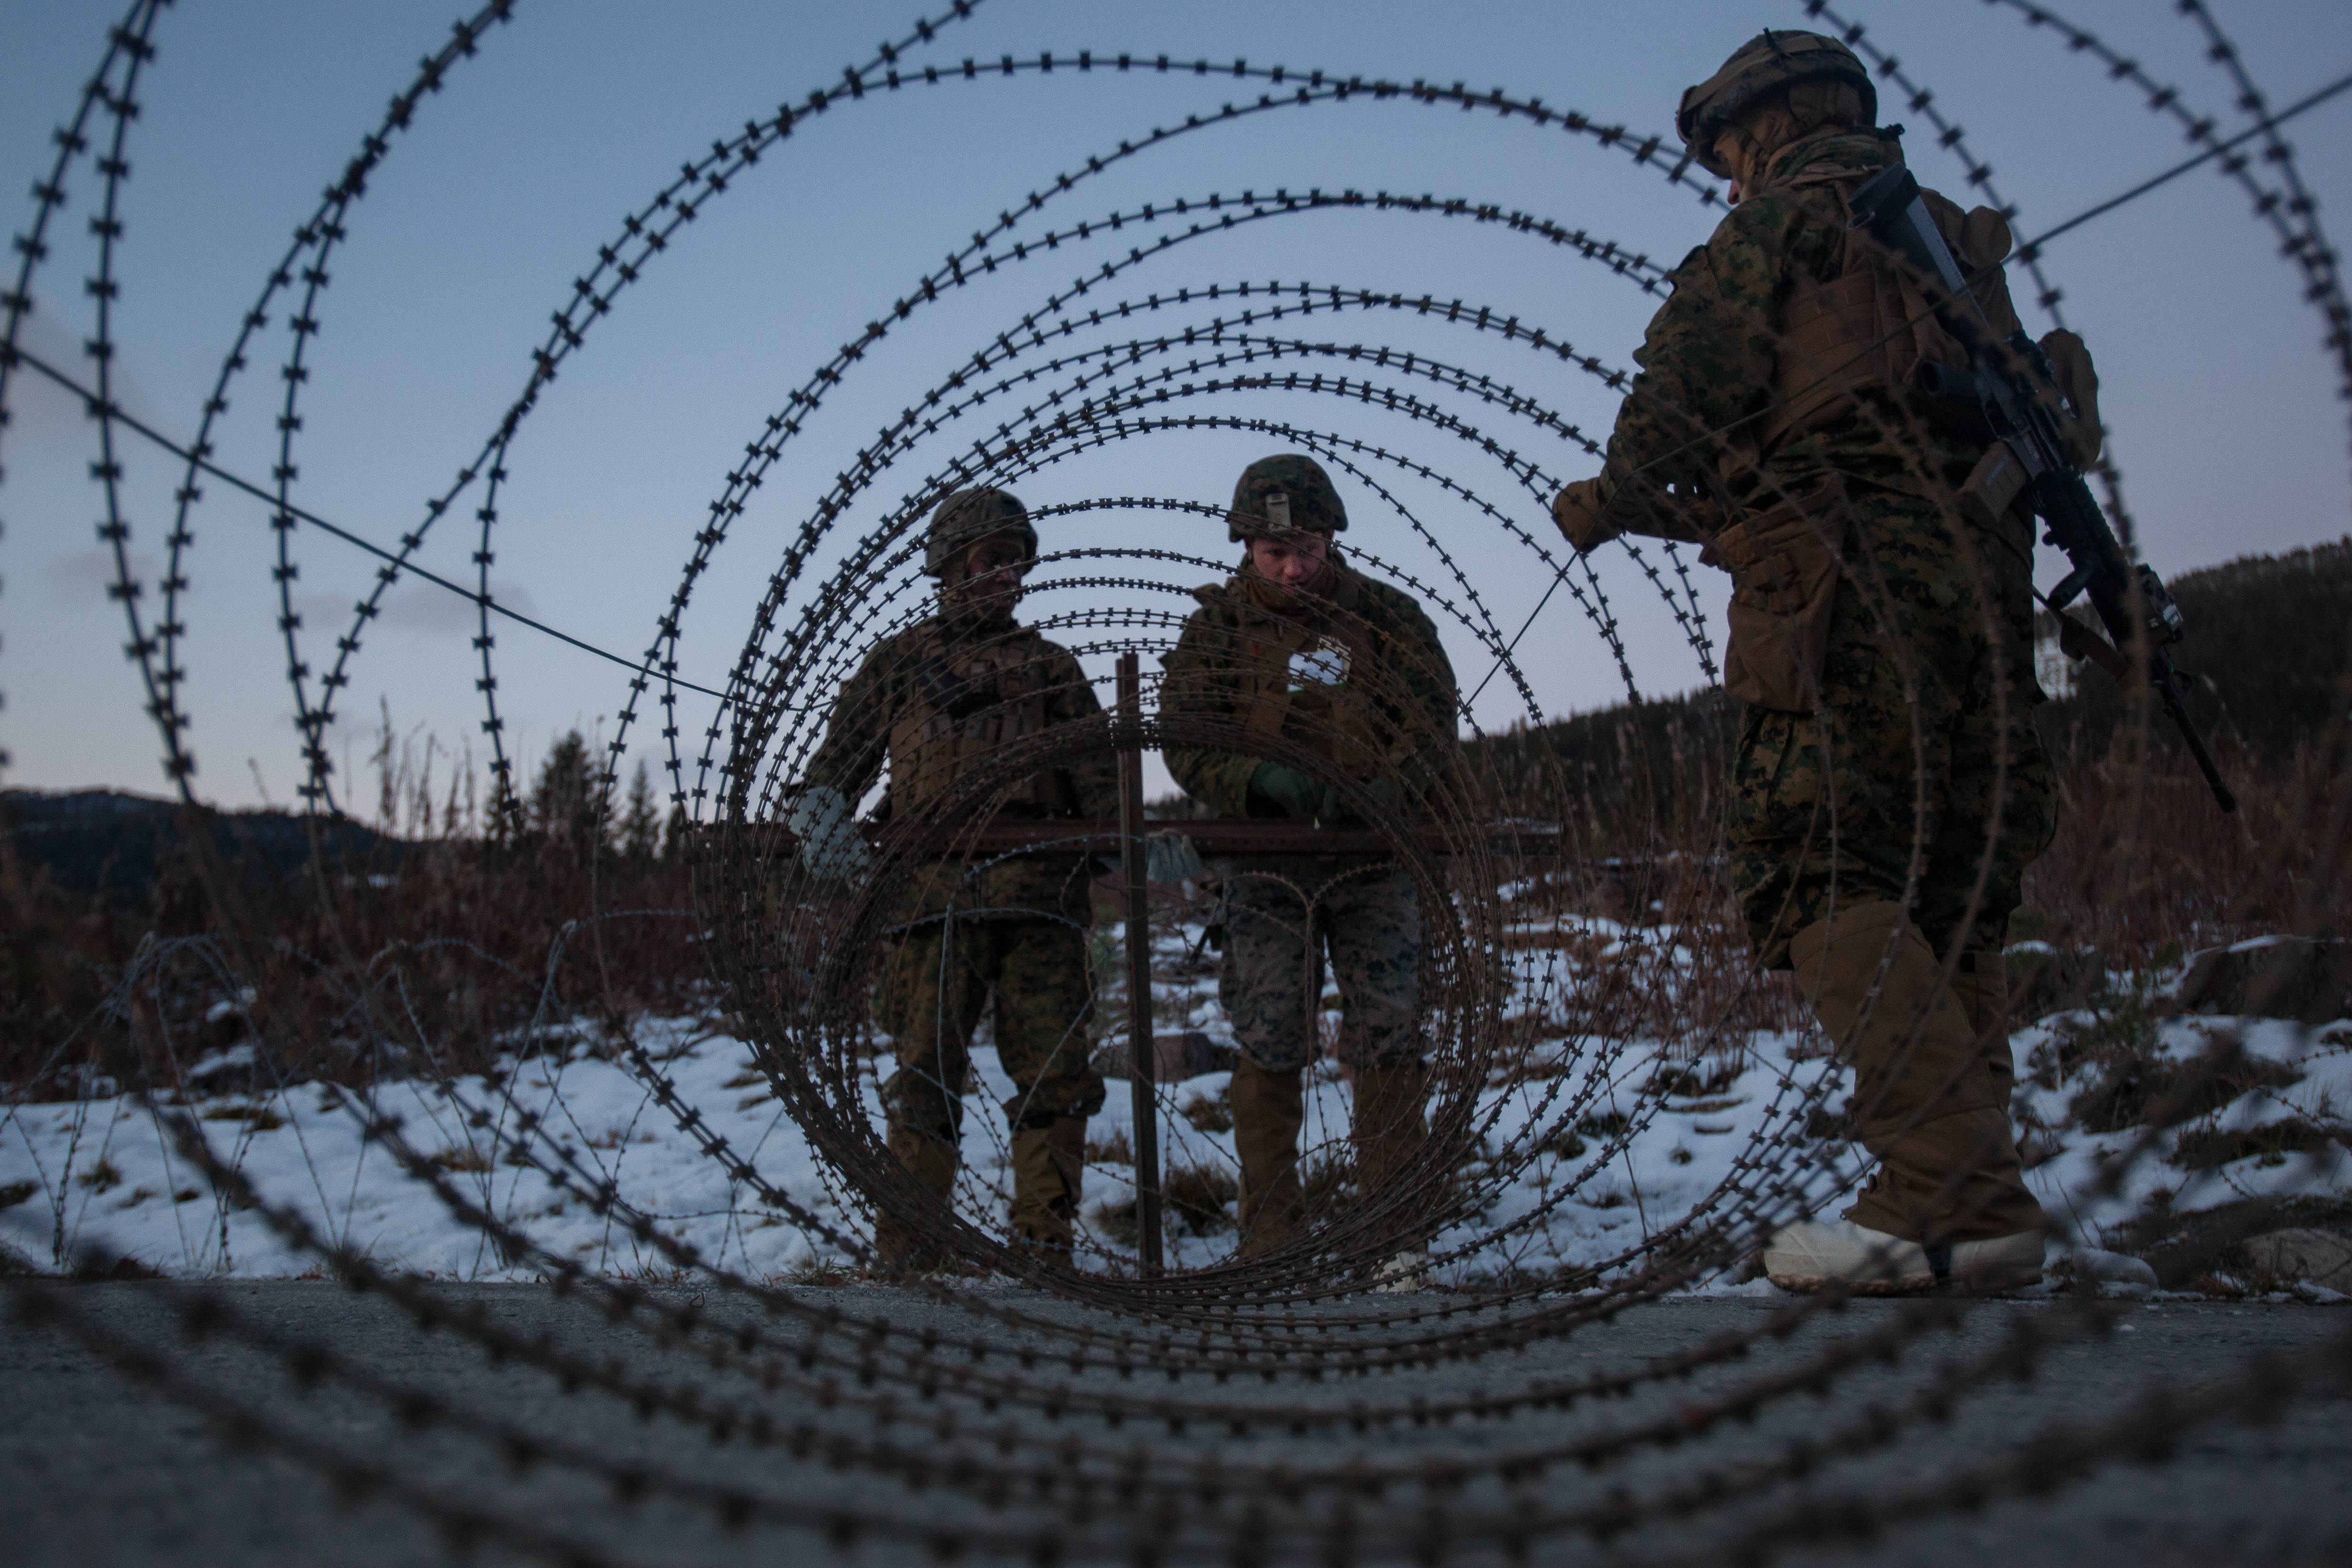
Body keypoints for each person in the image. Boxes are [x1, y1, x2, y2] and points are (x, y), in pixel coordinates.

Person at [1549, 31, 2087, 1293]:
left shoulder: (1782, 226)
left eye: (1730, 157)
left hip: (1842, 593)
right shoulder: (1957, 249)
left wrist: (1610, 498)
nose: (1728, 183)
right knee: (1949, 885)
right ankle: (1952, 1202)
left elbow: (1679, 411)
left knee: (1819, 873)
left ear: (1763, 132)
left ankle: (1952, 1195)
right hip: (1990, 602)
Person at [788, 488, 1114, 1268]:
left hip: (1040, 902)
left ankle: (1043, 1242)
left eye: (1016, 561)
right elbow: (840, 760)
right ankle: (910, 1246)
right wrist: (817, 810)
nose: (1006, 575)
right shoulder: (900, 664)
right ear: (947, 564)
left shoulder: (1050, 666)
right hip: (931, 903)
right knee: (924, 1074)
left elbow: (1102, 779)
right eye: (990, 559)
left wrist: (1125, 842)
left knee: (1055, 1075)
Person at [1160, 454, 1460, 1274]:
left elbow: (1432, 717)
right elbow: (1184, 736)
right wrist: (1257, 778)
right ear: (1245, 547)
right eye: (1273, 554)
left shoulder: (1390, 619)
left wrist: (1394, 787)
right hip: (1265, 865)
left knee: (1390, 1033)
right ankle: (1273, 1233)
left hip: (1372, 859)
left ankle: (1397, 1228)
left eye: (1309, 551)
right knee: (1270, 1038)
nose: (1293, 569)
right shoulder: (1216, 630)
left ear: (1332, 540)